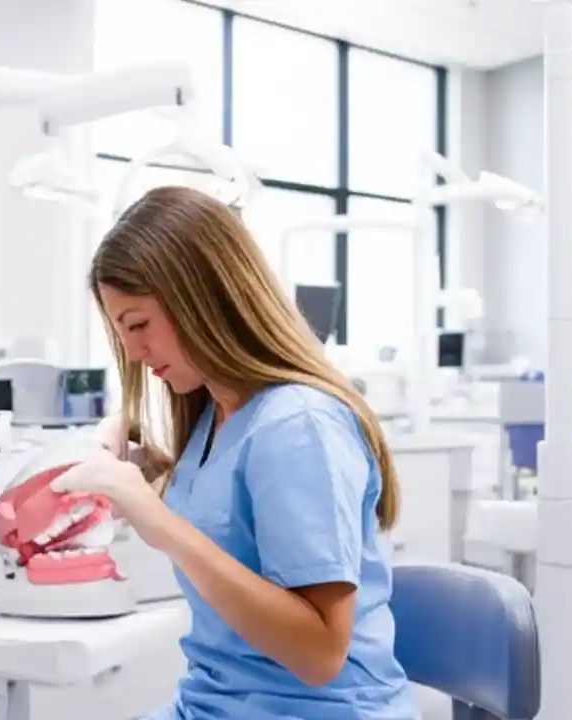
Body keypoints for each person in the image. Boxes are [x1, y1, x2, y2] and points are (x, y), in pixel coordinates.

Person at [52, 186, 419, 719]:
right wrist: (142, 456)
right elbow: (234, 523)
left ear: (203, 299)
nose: (131, 351)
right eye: (120, 331)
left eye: (138, 325)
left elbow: (319, 655)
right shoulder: (214, 415)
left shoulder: (299, 425)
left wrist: (159, 521)